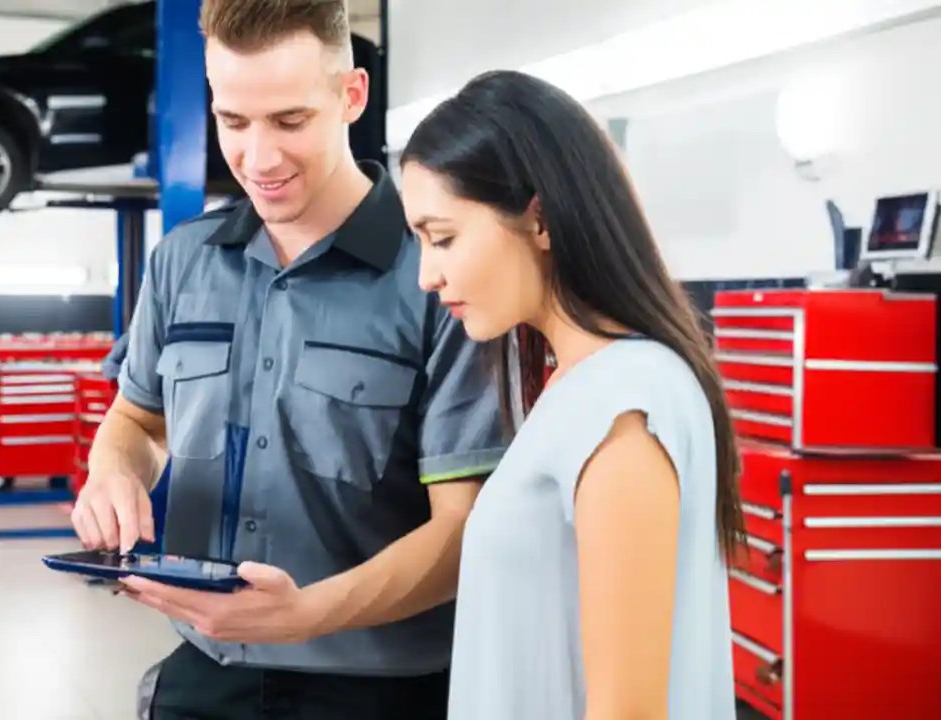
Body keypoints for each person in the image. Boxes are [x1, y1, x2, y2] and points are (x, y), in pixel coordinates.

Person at [70, 1, 507, 718]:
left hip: (381, 690)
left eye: (290, 121)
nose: (259, 158)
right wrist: (112, 470)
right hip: (205, 673)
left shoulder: (435, 273)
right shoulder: (183, 261)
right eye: (233, 122)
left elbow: (464, 527)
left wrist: (305, 615)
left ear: (351, 96)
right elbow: (138, 420)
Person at [397, 70, 745, 720]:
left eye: (442, 238)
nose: (427, 273)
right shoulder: (578, 388)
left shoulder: (623, 407)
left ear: (541, 219)